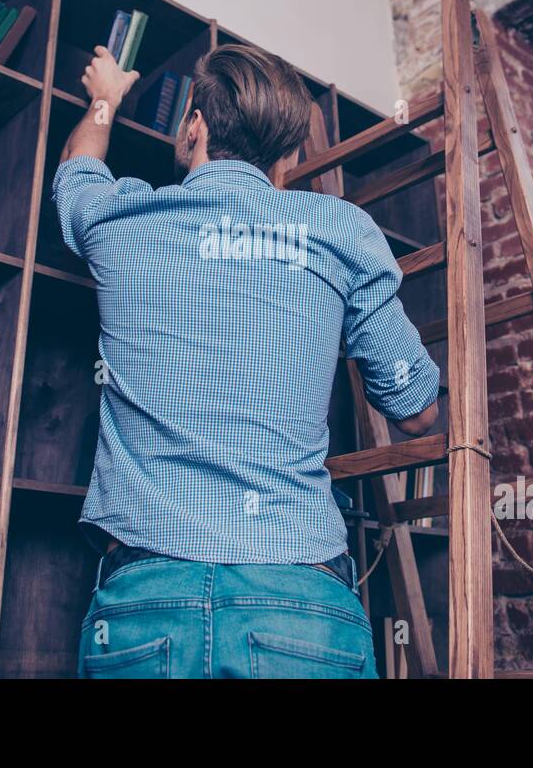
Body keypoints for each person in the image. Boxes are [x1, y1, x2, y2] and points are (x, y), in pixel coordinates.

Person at [55, 43, 439, 678]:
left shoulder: (121, 219)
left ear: (195, 124)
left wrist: (106, 96)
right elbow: (418, 412)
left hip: (147, 608)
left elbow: (79, 166)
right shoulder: (339, 230)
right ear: (286, 153)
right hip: (301, 609)